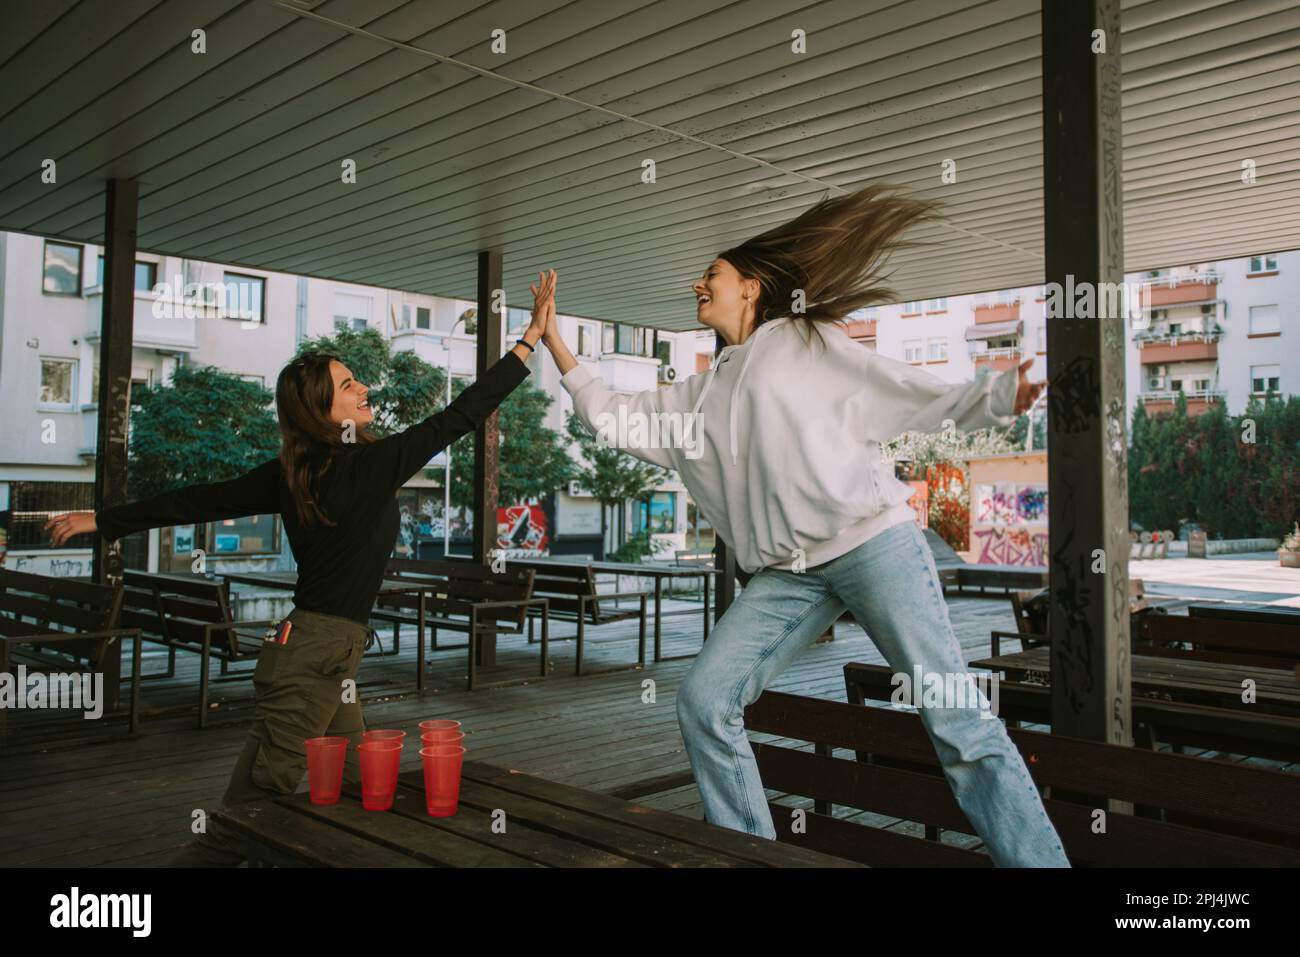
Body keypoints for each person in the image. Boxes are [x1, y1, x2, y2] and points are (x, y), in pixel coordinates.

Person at [531, 183, 1069, 866]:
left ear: (752, 288)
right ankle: (754, 854)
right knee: (704, 699)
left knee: (954, 717)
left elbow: (893, 387)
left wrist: (994, 394)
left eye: (714, 275)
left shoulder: (805, 341)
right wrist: (554, 341)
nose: (699, 283)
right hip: (789, 575)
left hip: (872, 543)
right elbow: (612, 413)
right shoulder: (698, 394)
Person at [46, 274, 556, 866]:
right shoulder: (368, 466)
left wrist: (105, 522)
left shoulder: (297, 469)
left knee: (357, 787)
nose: (363, 387)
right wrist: (528, 342)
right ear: (323, 408)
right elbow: (460, 415)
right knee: (248, 815)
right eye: (348, 384)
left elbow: (199, 500)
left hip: (321, 652)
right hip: (316, 654)